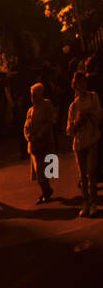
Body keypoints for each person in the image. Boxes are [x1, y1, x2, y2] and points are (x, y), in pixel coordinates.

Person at [65, 71, 101, 217]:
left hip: (92, 139)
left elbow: (99, 117)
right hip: (79, 143)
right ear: (75, 86)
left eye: (84, 82)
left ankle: (93, 203)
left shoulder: (93, 97)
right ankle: (85, 202)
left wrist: (90, 115)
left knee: (91, 172)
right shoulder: (73, 106)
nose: (82, 86)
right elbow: (68, 130)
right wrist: (76, 123)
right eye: (79, 83)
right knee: (82, 175)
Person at [23, 83, 57, 204]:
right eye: (32, 95)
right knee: (38, 171)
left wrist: (39, 135)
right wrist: (29, 137)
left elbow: (49, 121)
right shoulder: (30, 111)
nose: (33, 98)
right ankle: (46, 191)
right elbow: (26, 127)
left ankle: (46, 191)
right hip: (34, 145)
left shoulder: (47, 104)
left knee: (46, 169)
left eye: (35, 95)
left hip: (45, 142)